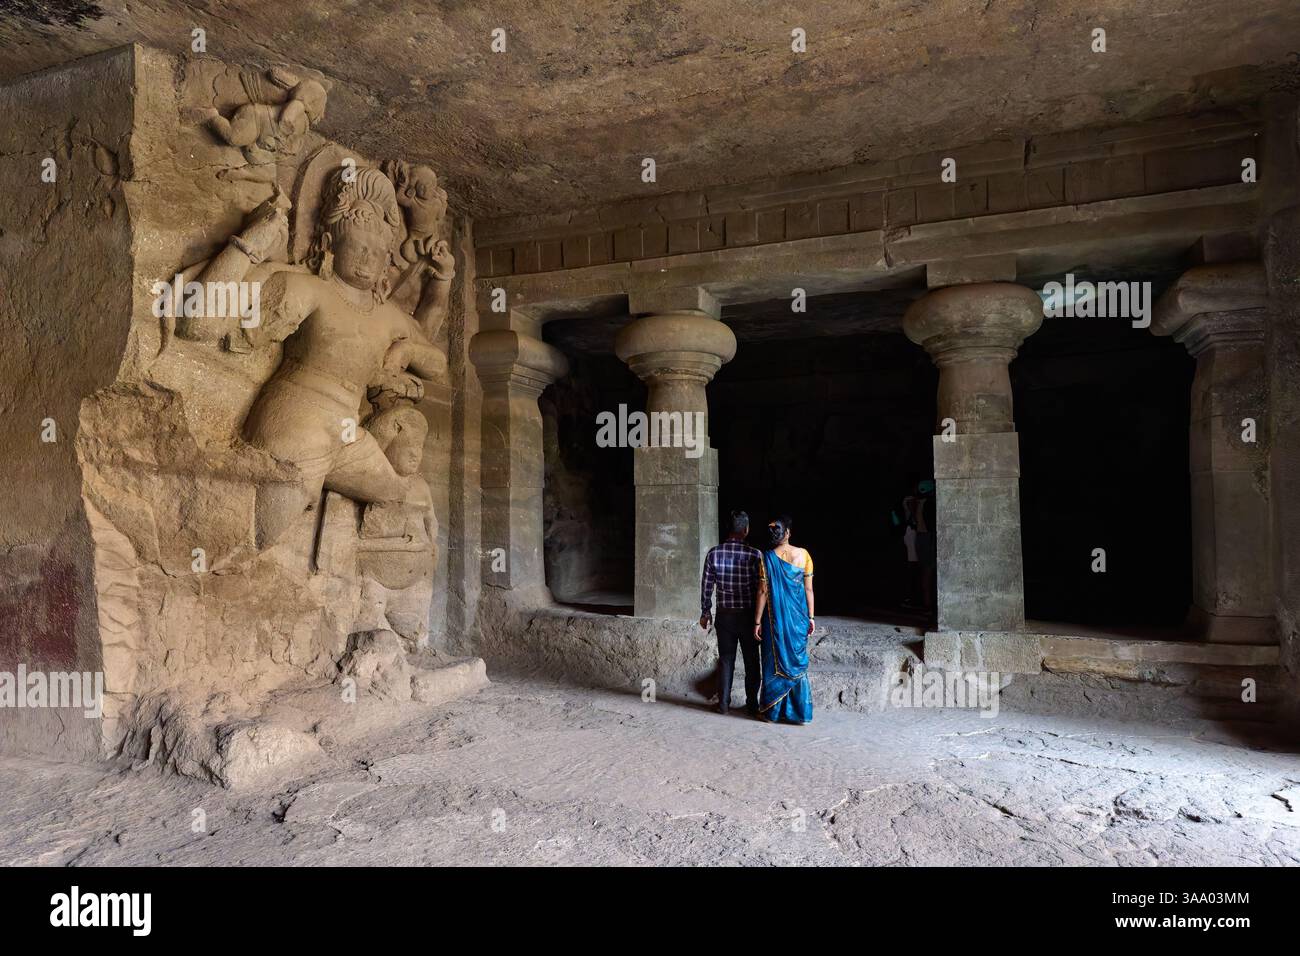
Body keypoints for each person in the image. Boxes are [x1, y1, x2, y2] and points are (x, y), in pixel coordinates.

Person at [699, 511, 763, 716]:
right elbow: (761, 589)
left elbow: (707, 586)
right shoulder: (755, 555)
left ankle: (724, 704)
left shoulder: (714, 554)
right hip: (748, 616)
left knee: (726, 660)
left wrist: (706, 612)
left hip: (724, 616)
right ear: (746, 530)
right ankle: (752, 705)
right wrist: (760, 619)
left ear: (729, 529)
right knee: (752, 661)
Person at [754, 518, 814, 724]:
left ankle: (772, 713)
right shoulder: (804, 555)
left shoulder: (767, 558)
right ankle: (801, 714)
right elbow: (808, 589)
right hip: (799, 619)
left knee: (774, 663)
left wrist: (757, 621)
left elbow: (762, 591)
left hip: (775, 620)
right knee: (796, 662)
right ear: (787, 533)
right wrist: (811, 617)